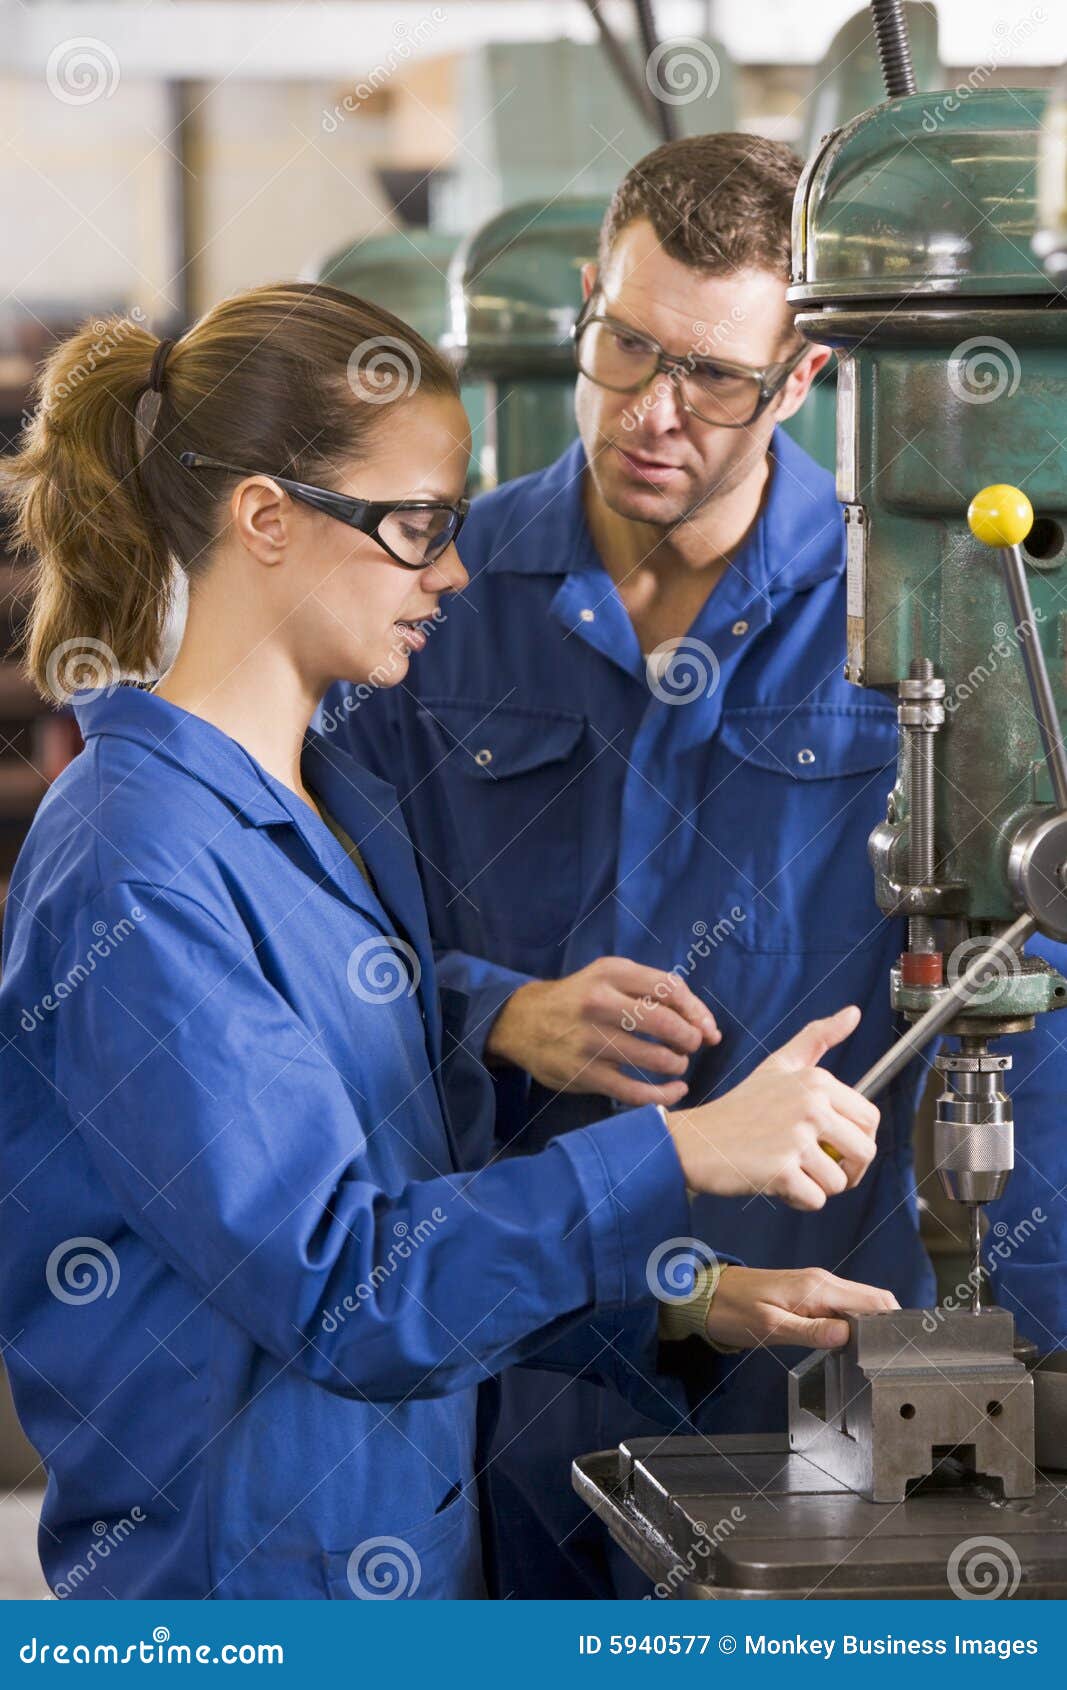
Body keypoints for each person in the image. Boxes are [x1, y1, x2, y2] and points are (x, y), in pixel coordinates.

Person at [0, 283, 896, 1600]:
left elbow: (418, 1233)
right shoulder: (136, 867)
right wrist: (683, 1148)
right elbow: (343, 1283)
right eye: (418, 527)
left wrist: (673, 1299)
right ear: (266, 518)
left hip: (404, 1567)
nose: (456, 574)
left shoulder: (332, 821)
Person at [320, 134, 1067, 1597]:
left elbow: (1022, 979)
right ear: (590, 300)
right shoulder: (434, 610)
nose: (653, 413)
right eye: (627, 347)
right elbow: (318, 956)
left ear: (807, 377)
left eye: (715, 377)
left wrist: (1034, 1343)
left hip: (825, 1376)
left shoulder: (912, 621)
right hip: (509, 1367)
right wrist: (495, 1009)